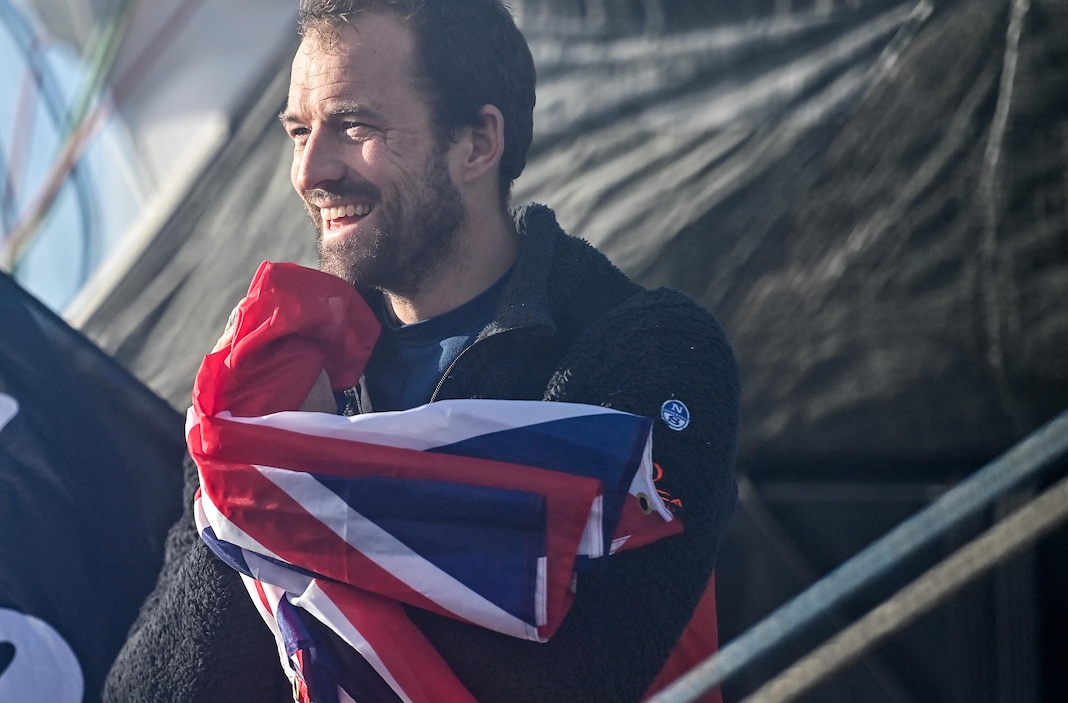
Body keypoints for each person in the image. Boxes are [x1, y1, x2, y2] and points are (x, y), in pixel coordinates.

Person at [104, 1, 739, 701]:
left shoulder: (643, 347)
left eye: (355, 126)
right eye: (300, 132)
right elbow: (149, 693)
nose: (310, 170)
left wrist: (299, 483)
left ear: (477, 143)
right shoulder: (278, 372)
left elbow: (576, 673)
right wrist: (253, 468)